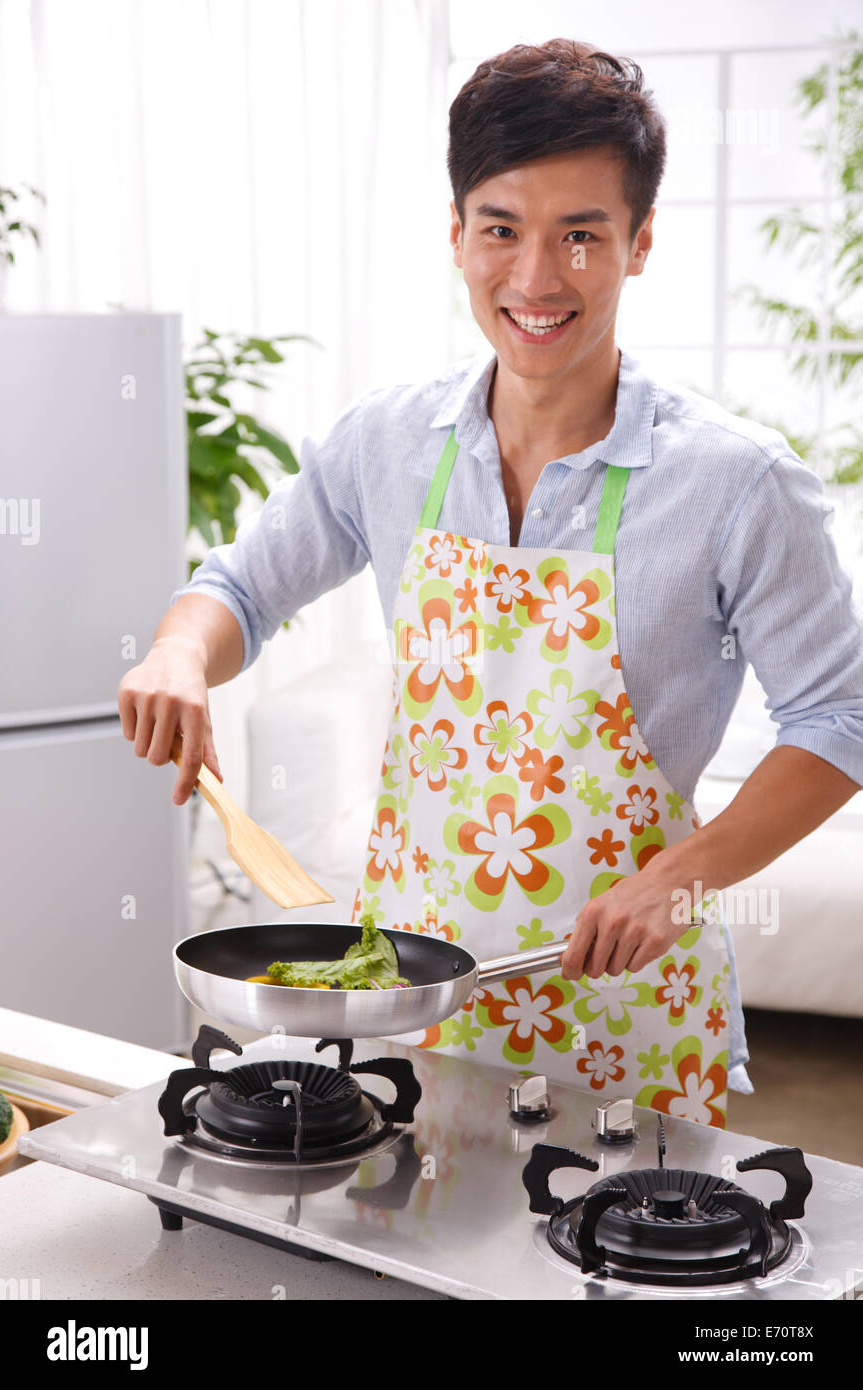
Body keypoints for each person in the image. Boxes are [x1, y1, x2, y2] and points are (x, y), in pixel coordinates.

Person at [118, 39, 863, 1128]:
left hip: (626, 1006)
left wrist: (683, 873)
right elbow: (240, 586)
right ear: (456, 233)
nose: (534, 279)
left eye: (581, 235)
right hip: (410, 997)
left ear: (639, 243)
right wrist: (180, 652)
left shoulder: (736, 485)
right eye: (501, 229)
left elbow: (838, 717)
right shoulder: (387, 442)